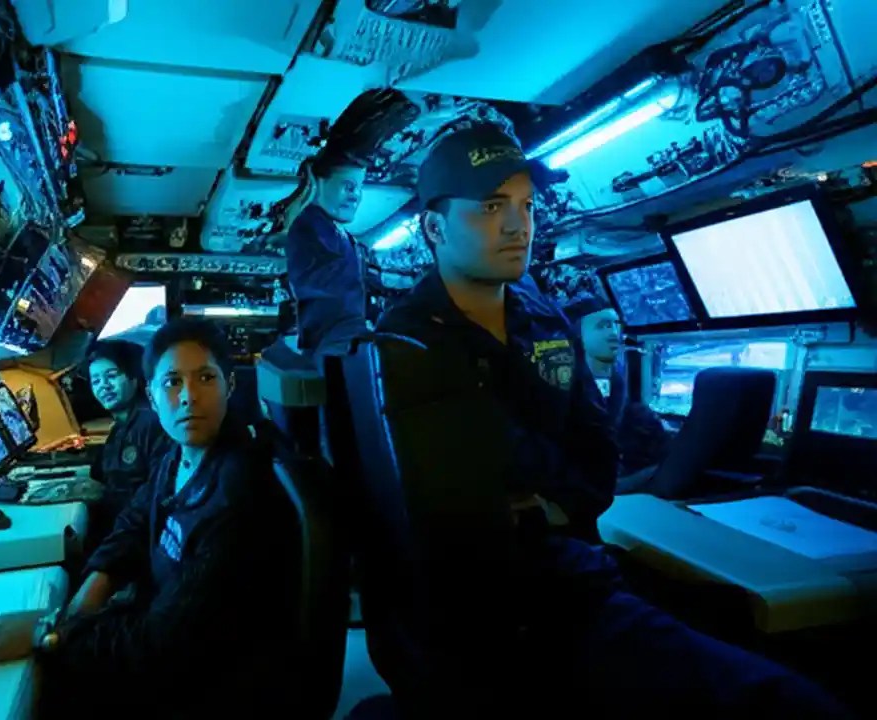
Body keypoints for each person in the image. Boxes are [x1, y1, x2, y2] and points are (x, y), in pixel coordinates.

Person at [359, 120, 851, 717]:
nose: (519, 225)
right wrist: (546, 492)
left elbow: (596, 456)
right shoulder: (404, 342)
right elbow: (479, 488)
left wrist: (551, 499)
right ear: (435, 228)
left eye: (526, 205)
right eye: (491, 206)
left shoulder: (545, 318)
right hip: (484, 612)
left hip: (573, 577)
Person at [0, 319, 299, 718]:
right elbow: (135, 520)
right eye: (172, 382)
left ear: (229, 386)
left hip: (213, 684)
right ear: (152, 394)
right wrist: (87, 597)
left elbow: (164, 645)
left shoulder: (239, 490)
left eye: (205, 378)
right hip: (164, 634)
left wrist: (47, 631)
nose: (188, 397)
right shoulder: (179, 457)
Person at [564, 294, 672, 494]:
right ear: (576, 335)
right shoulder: (561, 394)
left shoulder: (626, 401)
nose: (613, 333)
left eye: (615, 325)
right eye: (602, 326)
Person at [284, 149, 379, 356]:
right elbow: (322, 280)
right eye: (348, 186)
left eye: (359, 188)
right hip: (335, 340)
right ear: (318, 183)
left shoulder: (334, 231)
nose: (356, 196)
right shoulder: (310, 227)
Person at [84, 340, 173, 549]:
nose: (103, 386)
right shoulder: (121, 425)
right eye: (96, 381)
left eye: (111, 376)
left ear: (134, 377)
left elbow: (150, 498)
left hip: (134, 538)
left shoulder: (149, 423)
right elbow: (102, 475)